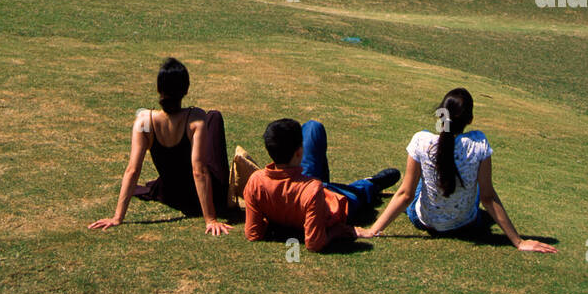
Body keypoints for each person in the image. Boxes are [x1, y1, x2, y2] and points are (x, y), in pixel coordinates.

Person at [355, 87, 557, 254]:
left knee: (417, 182)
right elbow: (488, 197)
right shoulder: (478, 143)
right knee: (476, 187)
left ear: (440, 114)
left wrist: (374, 230)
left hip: (424, 221)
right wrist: (518, 241)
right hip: (465, 224)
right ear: (470, 119)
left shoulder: (421, 140)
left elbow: (406, 194)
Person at [89, 57, 232, 236]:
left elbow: (132, 170)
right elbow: (199, 171)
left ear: (159, 89)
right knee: (214, 116)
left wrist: (118, 217)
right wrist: (210, 219)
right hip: (208, 198)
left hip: (172, 196)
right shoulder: (195, 117)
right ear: (185, 90)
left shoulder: (144, 121)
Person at [244, 118, 399, 252]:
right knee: (359, 192)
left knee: (313, 126)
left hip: (307, 187)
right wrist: (338, 230)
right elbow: (314, 243)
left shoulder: (255, 181)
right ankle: (372, 182)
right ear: (299, 152)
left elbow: (253, 233)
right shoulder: (312, 188)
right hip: (333, 202)